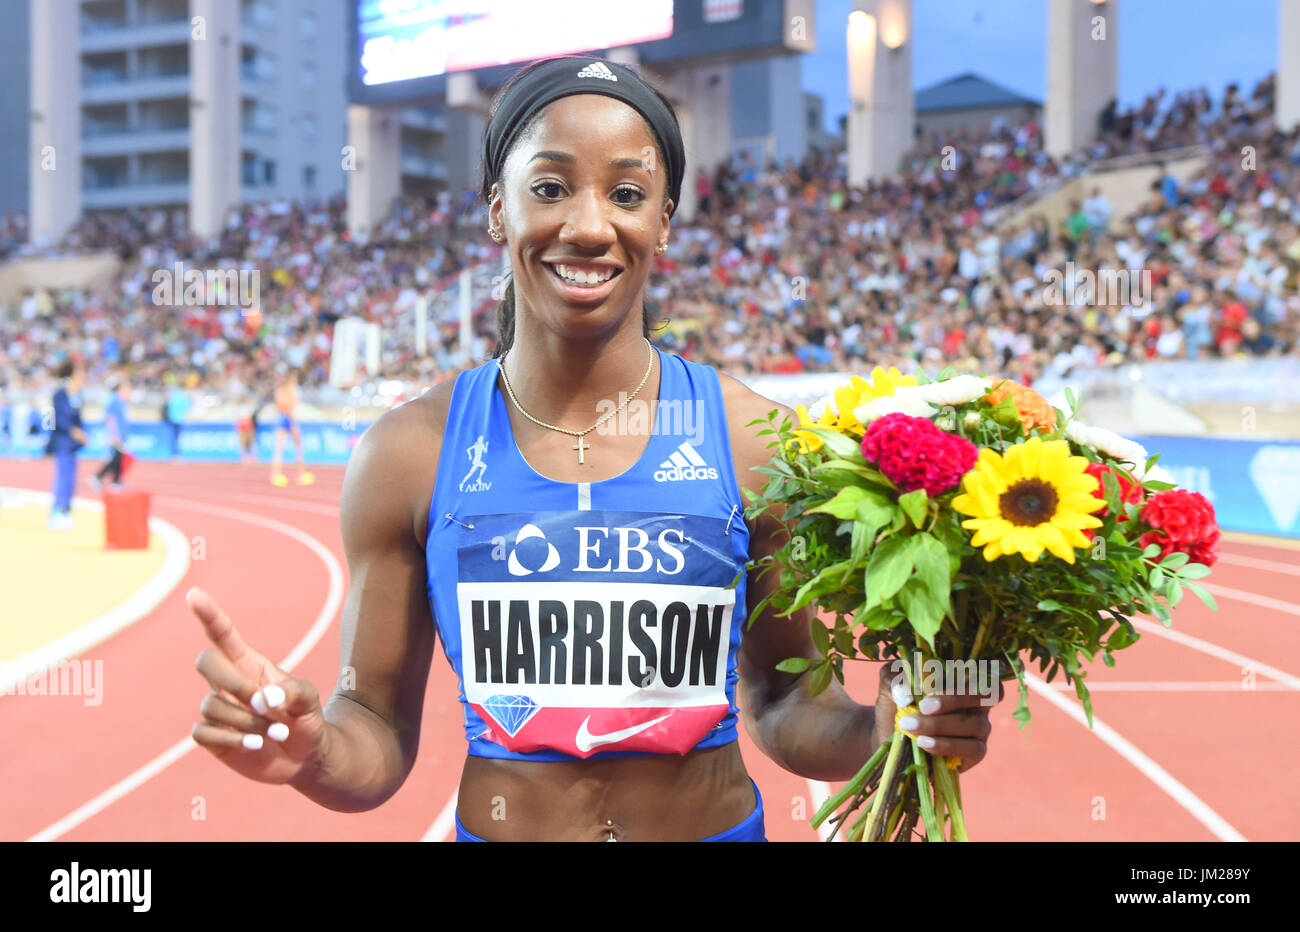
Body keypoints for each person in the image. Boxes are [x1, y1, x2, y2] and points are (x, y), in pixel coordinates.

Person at [186, 55, 1003, 842]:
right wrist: (310, 751)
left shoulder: (754, 443)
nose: (587, 225)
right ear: (497, 208)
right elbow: (372, 727)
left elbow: (788, 702)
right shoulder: (407, 455)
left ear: (664, 221)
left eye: (626, 192)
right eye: (549, 187)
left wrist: (883, 730)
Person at [46, 360, 87, 530]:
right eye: (79, 372)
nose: (83, 375)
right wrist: (74, 431)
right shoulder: (60, 393)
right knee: (63, 477)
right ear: (72, 374)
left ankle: (66, 510)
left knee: (71, 478)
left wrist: (80, 433)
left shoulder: (77, 394)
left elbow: (77, 418)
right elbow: (58, 418)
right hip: (63, 441)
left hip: (73, 444)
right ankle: (57, 511)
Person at [269, 367, 314, 486]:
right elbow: (288, 407)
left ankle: (280, 474)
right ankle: (293, 474)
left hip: (283, 418)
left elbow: (280, 406)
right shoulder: (290, 390)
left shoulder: (281, 390)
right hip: (288, 418)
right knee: (293, 448)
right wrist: (293, 421)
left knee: (284, 448)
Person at [91, 374, 130, 491]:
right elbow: (110, 418)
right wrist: (114, 435)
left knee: (118, 457)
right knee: (116, 457)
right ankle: (102, 478)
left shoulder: (119, 399)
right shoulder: (112, 400)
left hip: (121, 433)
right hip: (116, 435)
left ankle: (116, 480)